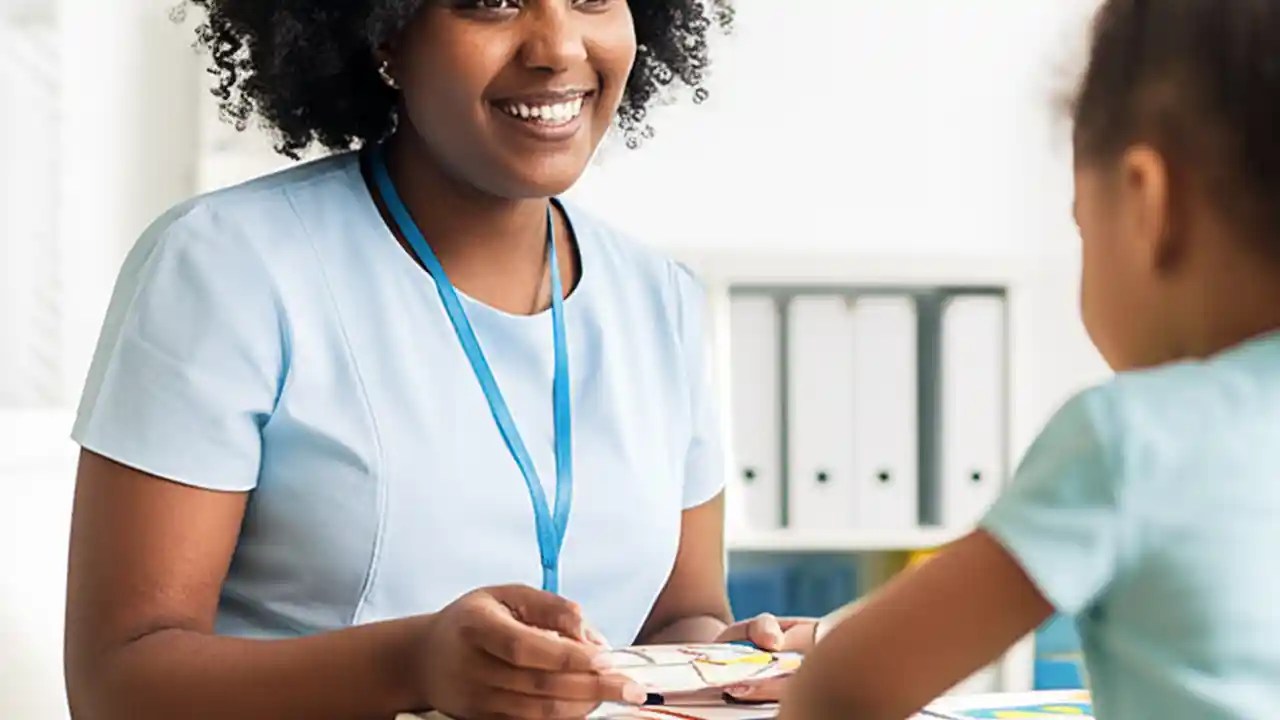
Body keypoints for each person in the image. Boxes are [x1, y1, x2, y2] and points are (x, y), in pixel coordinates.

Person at [58, 2, 776, 719]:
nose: (558, 47)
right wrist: (411, 664)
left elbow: (678, 621)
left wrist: (732, 662)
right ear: (386, 36)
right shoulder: (227, 267)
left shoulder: (662, 301)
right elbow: (117, 682)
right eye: (492, 2)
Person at [734, 1, 1280, 718]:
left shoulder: (1133, 439)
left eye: (1083, 226)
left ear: (1150, 206)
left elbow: (842, 691)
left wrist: (834, 652)